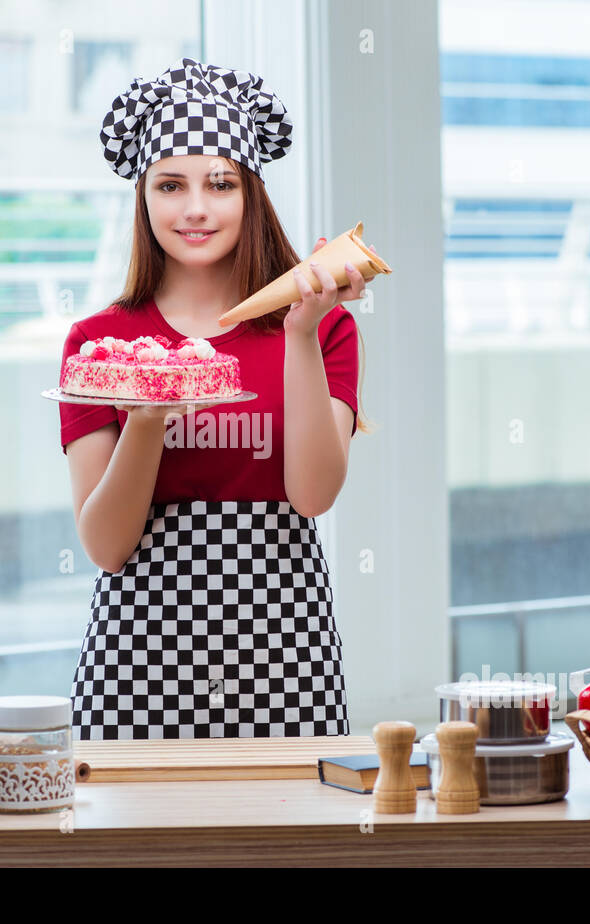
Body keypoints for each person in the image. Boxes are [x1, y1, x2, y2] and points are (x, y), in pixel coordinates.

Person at [59, 57, 377, 740]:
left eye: (220, 184)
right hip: (135, 667)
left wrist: (299, 334)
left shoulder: (327, 326)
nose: (195, 208)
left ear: (251, 195)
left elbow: (314, 495)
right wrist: (148, 417)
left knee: (288, 847)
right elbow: (107, 547)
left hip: (287, 655)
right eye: (170, 184)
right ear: (143, 197)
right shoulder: (100, 346)